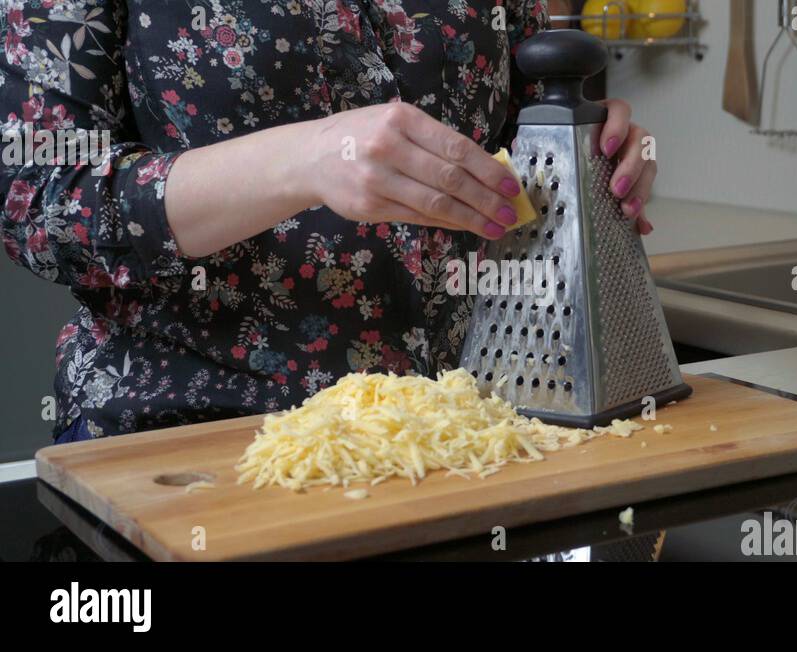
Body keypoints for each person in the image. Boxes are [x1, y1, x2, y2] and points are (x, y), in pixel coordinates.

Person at [0, 1, 657, 442]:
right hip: (194, 445)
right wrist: (302, 160)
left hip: (463, 433)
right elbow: (37, 195)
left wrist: (583, 155)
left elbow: (514, 130)